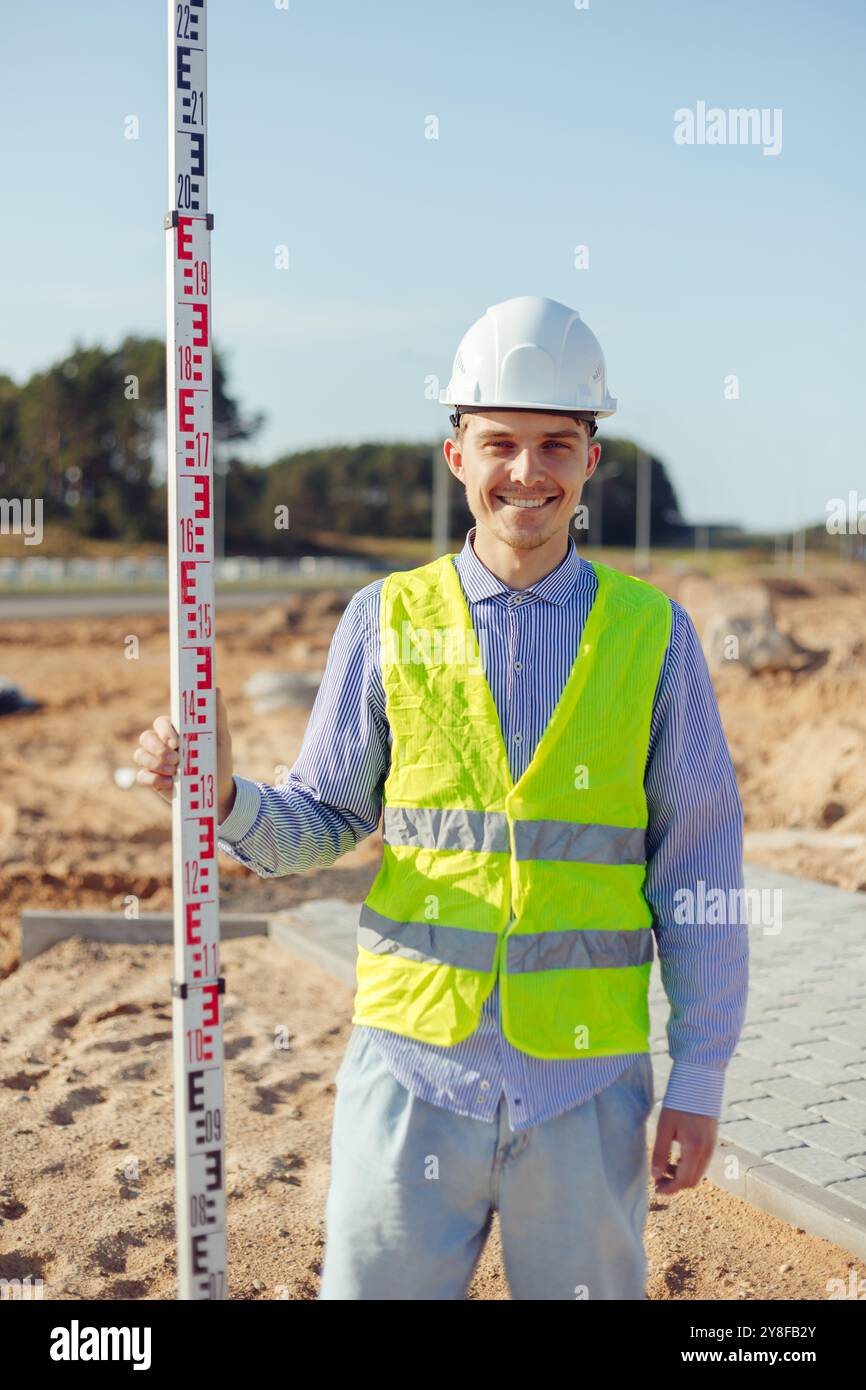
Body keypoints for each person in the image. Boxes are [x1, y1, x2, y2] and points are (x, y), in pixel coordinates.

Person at [134, 294, 749, 1301]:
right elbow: (320, 819)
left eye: (555, 443)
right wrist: (222, 797)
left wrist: (699, 1074)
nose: (526, 472)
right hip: (410, 1076)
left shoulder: (655, 636)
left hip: (586, 1087)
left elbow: (697, 867)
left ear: (591, 460)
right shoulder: (384, 618)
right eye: (498, 441)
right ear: (455, 453)